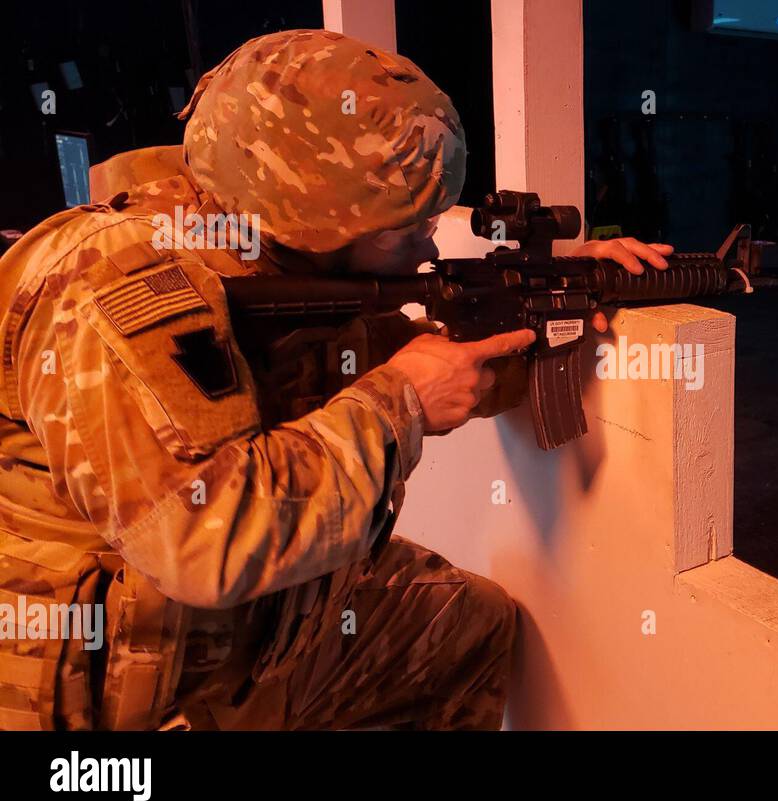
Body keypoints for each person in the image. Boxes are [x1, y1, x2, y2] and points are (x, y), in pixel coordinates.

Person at [0, 28, 671, 730]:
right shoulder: (117, 285)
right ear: (317, 217)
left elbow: (422, 359)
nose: (429, 242)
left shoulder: (267, 258)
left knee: (464, 622)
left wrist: (560, 292)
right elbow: (199, 539)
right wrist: (401, 403)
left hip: (238, 645)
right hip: (112, 701)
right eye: (404, 227)